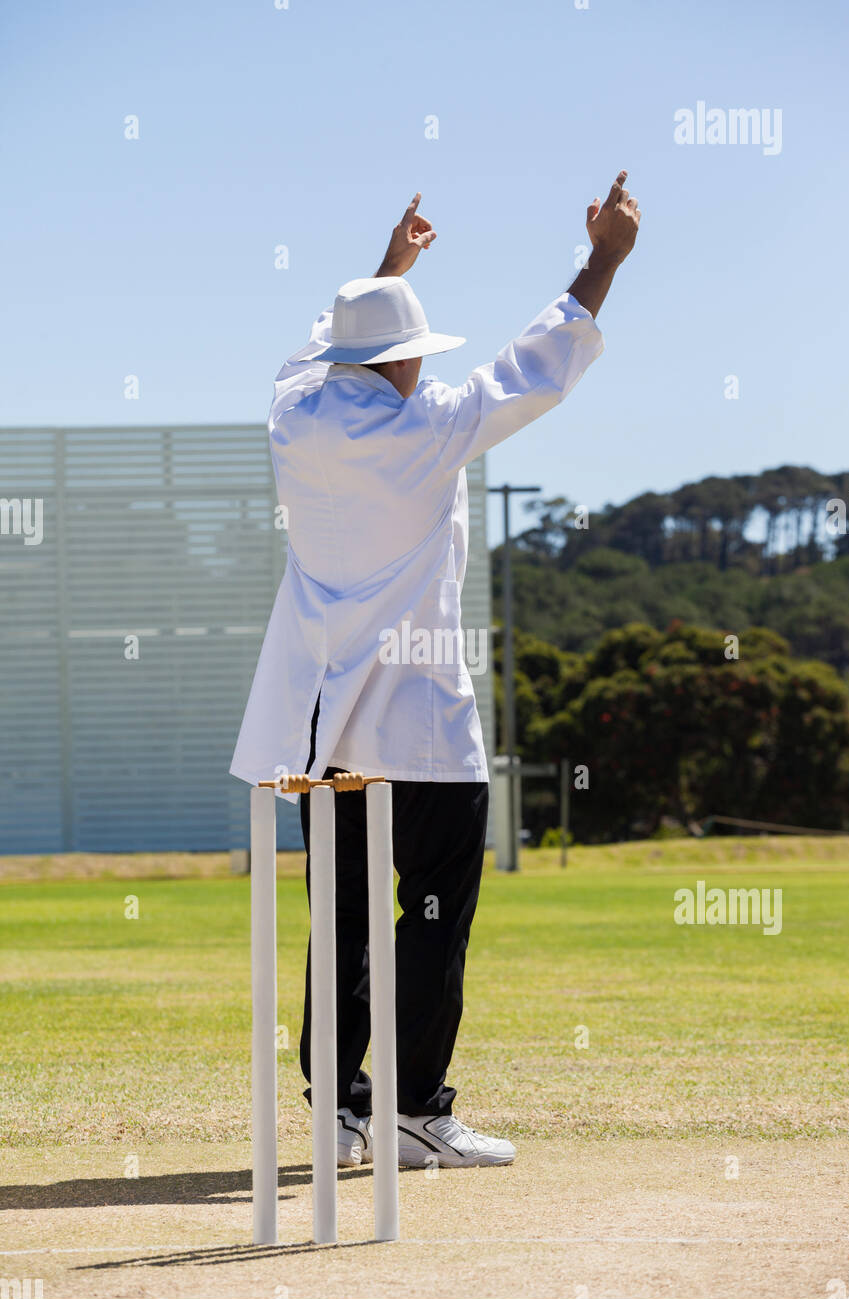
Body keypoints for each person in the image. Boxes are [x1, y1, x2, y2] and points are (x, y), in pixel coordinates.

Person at [231, 172, 641, 1167]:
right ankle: (416, 1107)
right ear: (405, 360)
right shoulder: (430, 427)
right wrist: (604, 257)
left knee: (342, 916)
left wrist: (388, 270)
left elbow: (317, 357)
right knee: (431, 907)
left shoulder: (293, 420)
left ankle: (337, 1109)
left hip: (319, 724)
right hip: (415, 719)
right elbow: (534, 367)